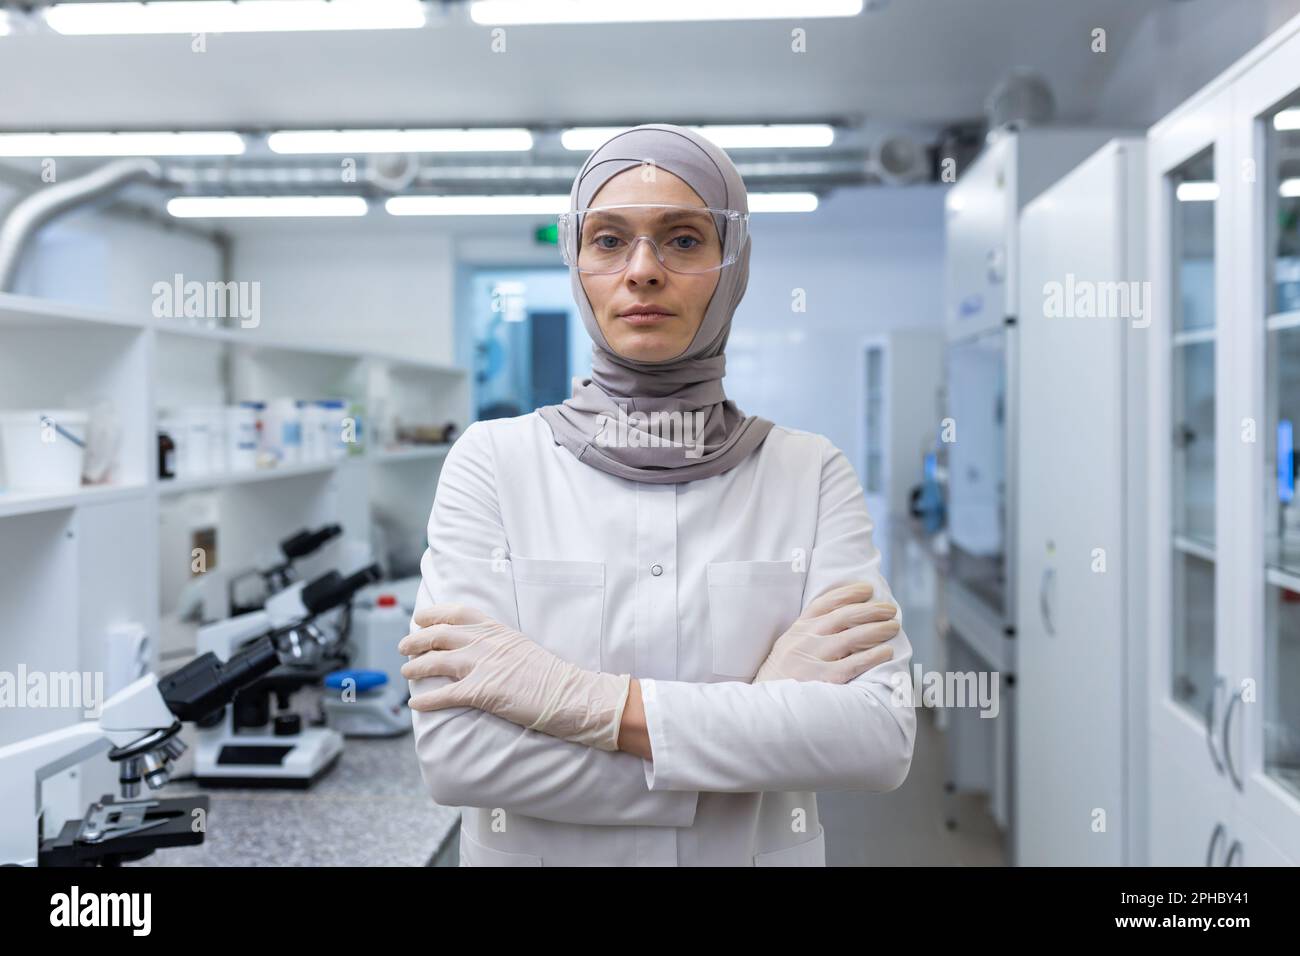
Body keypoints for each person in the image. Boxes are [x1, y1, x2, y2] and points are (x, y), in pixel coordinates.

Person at [400, 124, 916, 867]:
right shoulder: (493, 463)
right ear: (576, 263)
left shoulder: (809, 471)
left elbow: (876, 739)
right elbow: (457, 757)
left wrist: (578, 701)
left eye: (682, 239)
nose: (642, 271)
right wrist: (758, 735)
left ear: (732, 262)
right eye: (609, 241)